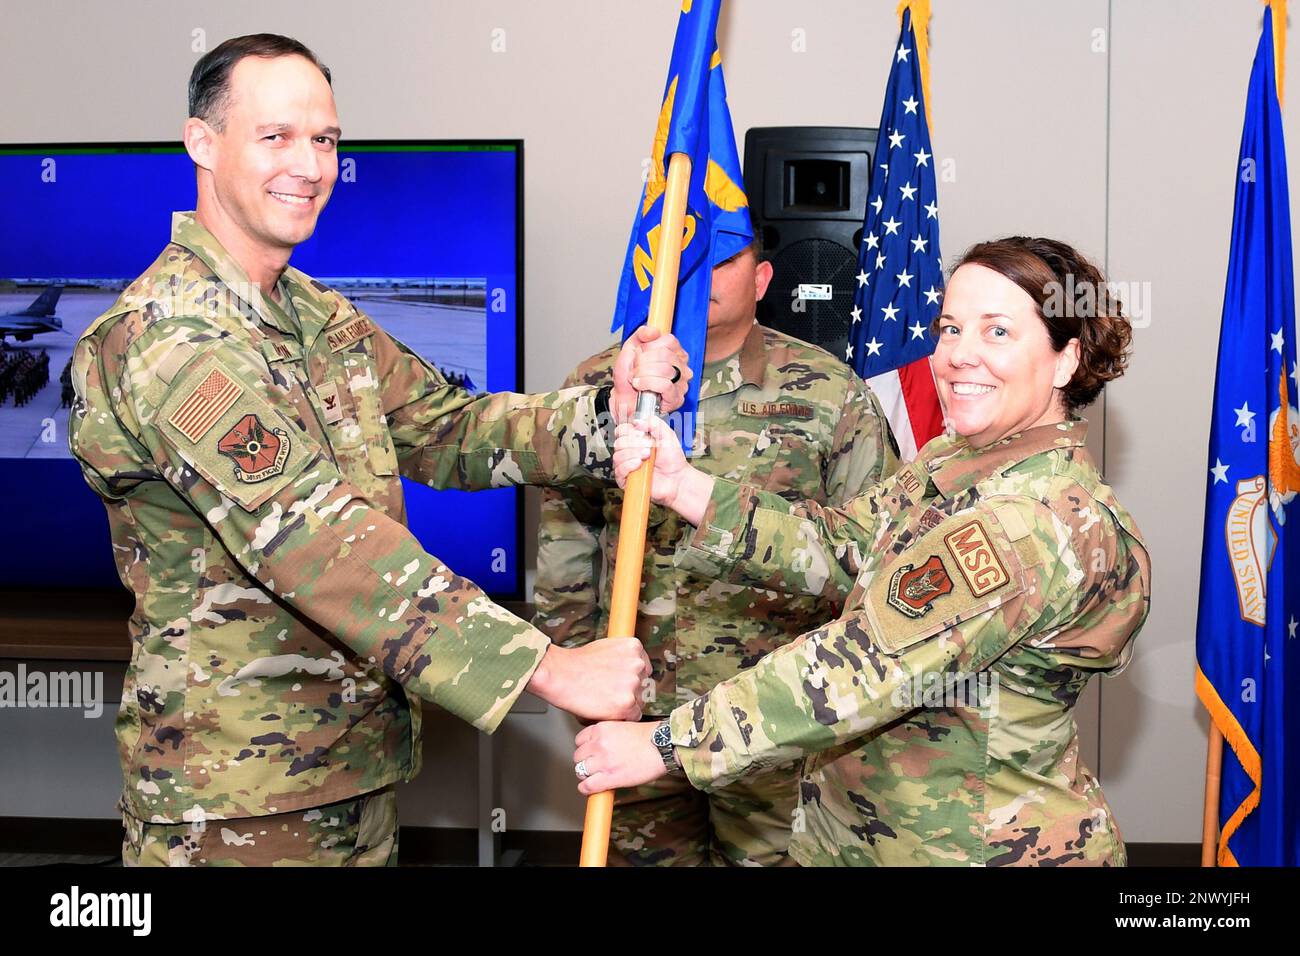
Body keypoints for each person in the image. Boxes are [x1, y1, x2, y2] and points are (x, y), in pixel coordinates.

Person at [68, 33, 692, 867]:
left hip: (355, 771)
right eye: (276, 136)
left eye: (324, 139)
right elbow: (321, 546)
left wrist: (608, 410)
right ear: (202, 143)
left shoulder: (318, 316)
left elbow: (451, 428)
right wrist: (548, 670)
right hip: (236, 803)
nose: (310, 163)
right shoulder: (166, 340)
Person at [575, 236, 1152, 866]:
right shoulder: (956, 459)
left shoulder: (1027, 522)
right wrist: (687, 489)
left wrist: (667, 744)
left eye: (997, 333)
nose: (959, 355)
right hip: (867, 838)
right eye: (951, 328)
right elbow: (847, 542)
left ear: (1066, 359)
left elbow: (859, 664)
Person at [534, 239, 898, 866]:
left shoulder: (829, 393)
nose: (695, 274)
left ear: (761, 279)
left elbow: (870, 557)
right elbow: (568, 539)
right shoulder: (604, 386)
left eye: (721, 257)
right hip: (636, 708)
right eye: (680, 256)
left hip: (774, 718)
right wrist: (573, 671)